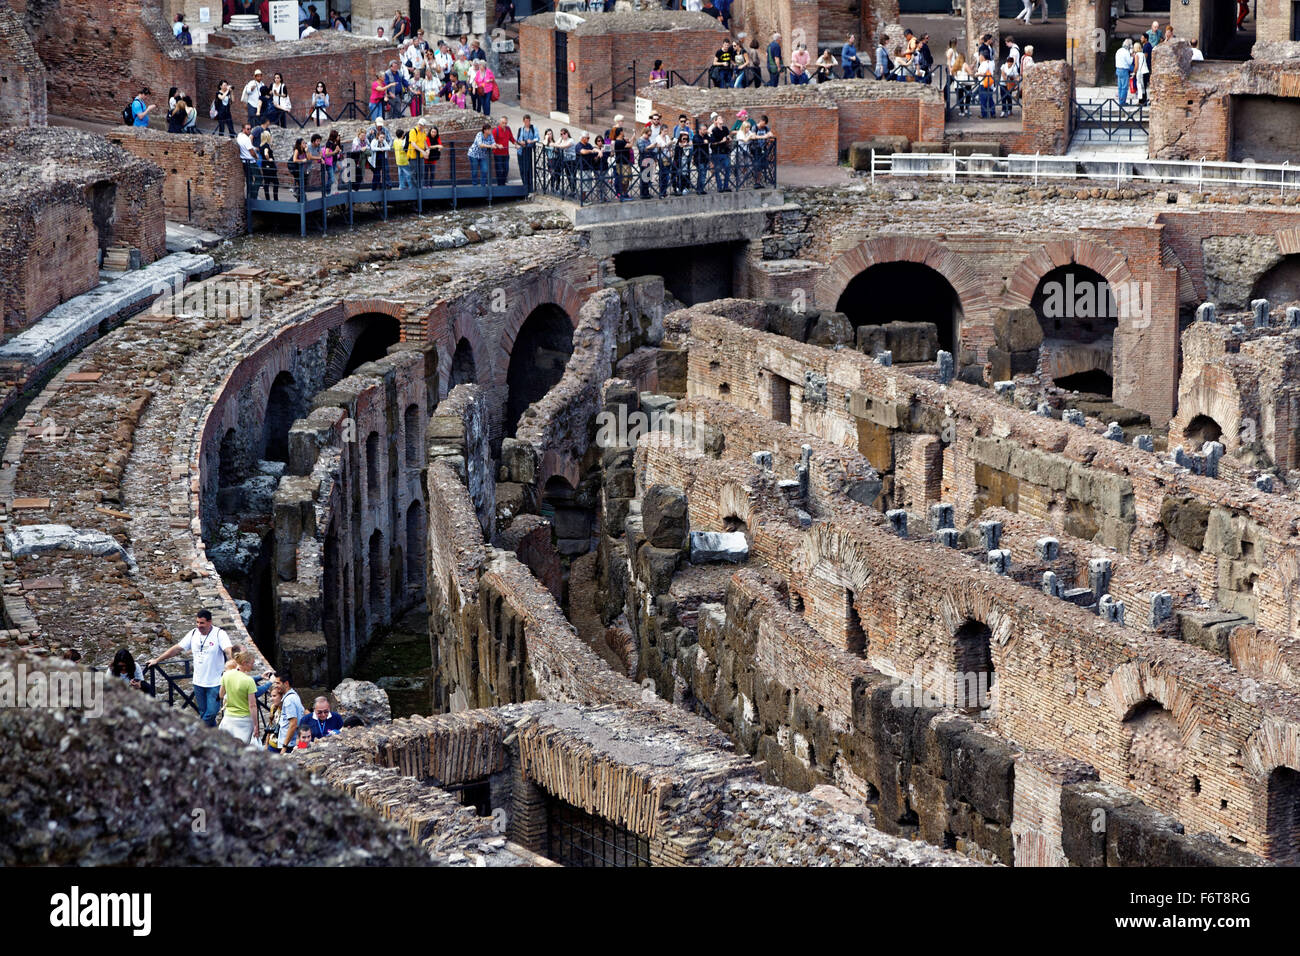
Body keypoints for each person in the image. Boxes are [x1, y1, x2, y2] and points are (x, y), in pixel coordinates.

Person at [147, 609, 231, 727]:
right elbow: (177, 648)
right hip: (198, 682)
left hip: (215, 682)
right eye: (197, 622)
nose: (198, 626)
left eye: (202, 623)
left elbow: (228, 649)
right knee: (203, 713)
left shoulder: (219, 634)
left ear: (210, 622)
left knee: (211, 713)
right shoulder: (193, 633)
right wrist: (157, 659)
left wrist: (237, 663)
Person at [217, 650, 259, 744]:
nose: (253, 666)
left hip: (229, 717)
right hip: (244, 720)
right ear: (244, 663)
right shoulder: (249, 680)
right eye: (252, 663)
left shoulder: (226, 675)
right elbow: (252, 705)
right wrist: (256, 725)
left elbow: (221, 694)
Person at [272, 668, 305, 753]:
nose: (276, 686)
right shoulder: (294, 695)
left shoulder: (289, 700)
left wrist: (284, 747)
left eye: (278, 683)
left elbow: (293, 724)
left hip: (290, 745)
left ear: (286, 683)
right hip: (293, 743)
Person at [367, 117, 393, 188]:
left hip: (383, 154)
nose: (379, 127)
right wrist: (369, 134)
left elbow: (390, 140)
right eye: (378, 125)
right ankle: (376, 187)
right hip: (374, 155)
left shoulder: (385, 130)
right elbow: (366, 140)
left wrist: (386, 148)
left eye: (380, 125)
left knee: (386, 170)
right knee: (377, 173)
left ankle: (387, 185)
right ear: (375, 124)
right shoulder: (370, 130)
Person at [707, 113, 731, 191]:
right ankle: (719, 187)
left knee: (727, 168)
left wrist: (728, 139)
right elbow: (712, 143)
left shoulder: (725, 128)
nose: (721, 119)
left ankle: (726, 186)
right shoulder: (714, 130)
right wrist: (721, 141)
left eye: (721, 118)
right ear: (716, 121)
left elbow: (728, 137)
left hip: (725, 152)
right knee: (717, 170)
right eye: (719, 118)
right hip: (716, 152)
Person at [492, 115, 517, 186]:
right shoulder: (495, 130)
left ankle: (503, 184)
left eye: (506, 123)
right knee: (499, 170)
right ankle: (500, 185)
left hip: (506, 154)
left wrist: (515, 144)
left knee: (506, 169)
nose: (504, 124)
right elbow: (492, 142)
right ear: (500, 123)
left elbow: (511, 138)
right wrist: (498, 145)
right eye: (503, 123)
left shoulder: (508, 129)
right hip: (498, 154)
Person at [516, 114, 539, 191]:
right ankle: (524, 184)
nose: (527, 123)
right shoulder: (521, 129)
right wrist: (520, 143)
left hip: (528, 149)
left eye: (528, 121)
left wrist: (531, 141)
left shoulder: (533, 128)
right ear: (523, 121)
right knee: (522, 168)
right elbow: (518, 140)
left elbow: (537, 138)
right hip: (521, 150)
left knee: (528, 168)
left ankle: (530, 187)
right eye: (525, 121)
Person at [975, 51, 995, 119]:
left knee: (983, 99)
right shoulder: (991, 63)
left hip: (983, 83)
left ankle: (984, 114)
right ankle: (993, 113)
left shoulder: (984, 64)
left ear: (983, 56)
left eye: (980, 56)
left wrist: (977, 74)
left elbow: (983, 73)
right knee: (990, 99)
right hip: (990, 83)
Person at [1115, 38, 1134, 107]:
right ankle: (1122, 102)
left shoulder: (1119, 50)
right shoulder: (1126, 52)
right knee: (1124, 87)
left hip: (1118, 69)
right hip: (1124, 70)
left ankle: (1120, 101)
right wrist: (1132, 56)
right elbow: (1129, 62)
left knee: (1120, 86)